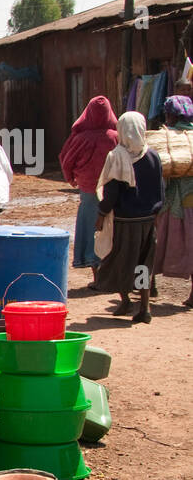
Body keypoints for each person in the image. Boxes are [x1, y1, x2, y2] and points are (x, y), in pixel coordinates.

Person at [95, 110, 165, 323]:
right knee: (144, 264)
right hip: (147, 221)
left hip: (124, 221)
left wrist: (101, 214)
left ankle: (125, 300)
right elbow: (160, 190)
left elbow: (111, 193)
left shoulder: (116, 156)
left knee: (120, 260)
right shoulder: (153, 156)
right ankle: (144, 306)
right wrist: (155, 213)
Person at [59, 96, 118, 281]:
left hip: (88, 189)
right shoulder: (115, 137)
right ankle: (110, 273)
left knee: (90, 227)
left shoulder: (79, 138)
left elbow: (66, 159)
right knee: (112, 230)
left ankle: (96, 274)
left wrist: (71, 179)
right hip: (113, 192)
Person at [153, 94, 193, 307]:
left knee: (152, 245)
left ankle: (148, 289)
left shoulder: (165, 137)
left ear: (171, 115)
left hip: (177, 202)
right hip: (187, 201)